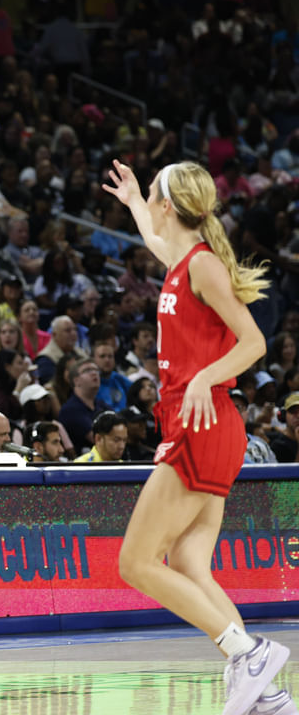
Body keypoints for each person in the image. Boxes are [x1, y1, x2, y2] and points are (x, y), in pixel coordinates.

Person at [105, 159, 292, 714]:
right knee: (189, 563)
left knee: (135, 563)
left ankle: (248, 654)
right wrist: (136, 201)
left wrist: (206, 375)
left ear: (172, 206)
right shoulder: (180, 259)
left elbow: (254, 342)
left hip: (202, 420)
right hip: (205, 424)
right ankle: (268, 694)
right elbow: (152, 236)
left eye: (154, 202)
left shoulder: (203, 265)